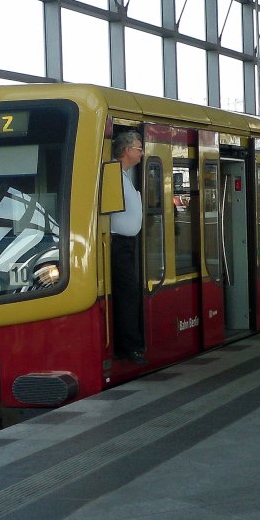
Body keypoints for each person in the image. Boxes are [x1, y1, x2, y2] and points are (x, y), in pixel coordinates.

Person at [109, 130, 146, 365]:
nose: (142, 153)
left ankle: (130, 344)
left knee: (130, 292)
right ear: (126, 150)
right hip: (118, 243)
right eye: (139, 149)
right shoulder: (113, 174)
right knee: (127, 294)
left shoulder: (124, 175)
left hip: (127, 243)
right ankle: (129, 347)